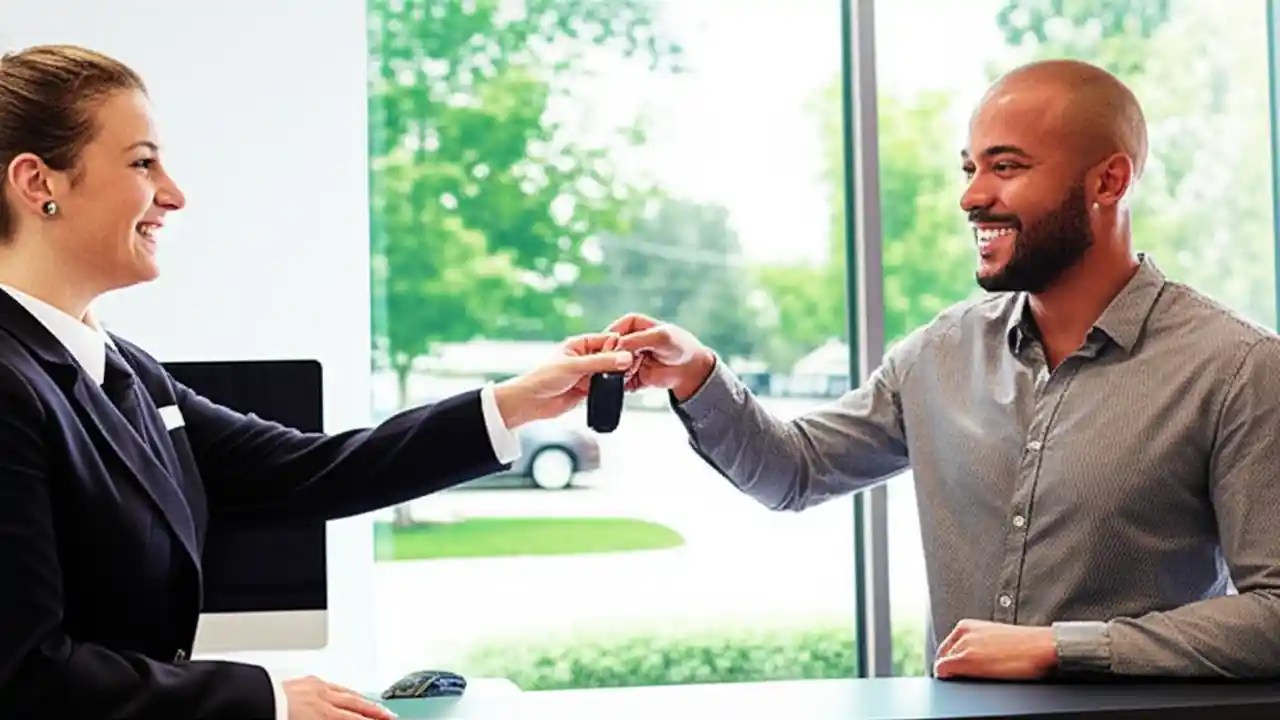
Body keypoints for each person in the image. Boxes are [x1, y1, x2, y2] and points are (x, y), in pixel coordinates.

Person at [0, 44, 633, 719]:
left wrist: (515, 402)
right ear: (39, 183)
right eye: (141, 163)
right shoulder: (9, 387)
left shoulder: (126, 370)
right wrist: (268, 700)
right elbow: (26, 676)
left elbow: (309, 469)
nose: (174, 194)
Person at [607, 58, 1280, 680]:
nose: (972, 197)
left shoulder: (1238, 369)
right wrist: (696, 374)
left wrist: (1060, 648)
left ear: (1110, 181)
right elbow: (795, 470)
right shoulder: (938, 354)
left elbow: (1275, 610)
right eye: (969, 169)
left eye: (1006, 167)